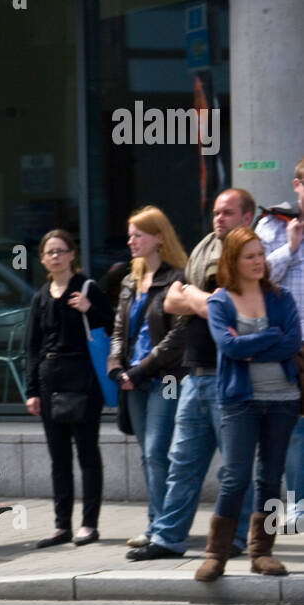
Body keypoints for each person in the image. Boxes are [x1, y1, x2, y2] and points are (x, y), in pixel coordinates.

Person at [128, 188, 257, 561]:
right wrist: (207, 299)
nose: (219, 218)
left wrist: (198, 298)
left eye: (228, 213)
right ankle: (169, 538)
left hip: (231, 375)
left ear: (247, 218)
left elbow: (234, 307)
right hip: (195, 374)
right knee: (181, 461)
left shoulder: (248, 253)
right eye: (217, 212)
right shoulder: (203, 249)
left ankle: (235, 538)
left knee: (234, 468)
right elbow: (171, 300)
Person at [197, 227, 302, 581]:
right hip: (240, 401)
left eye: (260, 254)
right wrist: (270, 336)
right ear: (233, 261)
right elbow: (229, 348)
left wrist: (254, 343)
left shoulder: (281, 297)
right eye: (250, 256)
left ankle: (263, 552)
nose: (259, 261)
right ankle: (216, 554)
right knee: (235, 477)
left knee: (270, 479)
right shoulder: (219, 302)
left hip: (283, 400)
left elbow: (292, 343)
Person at [25, 228, 114, 547]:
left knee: (88, 453)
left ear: (72, 254)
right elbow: (32, 346)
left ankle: (89, 524)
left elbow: (112, 323)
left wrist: (91, 308)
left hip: (83, 379)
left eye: (61, 251)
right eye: (50, 252)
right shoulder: (40, 296)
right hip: (51, 381)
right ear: (43, 259)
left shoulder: (86, 287)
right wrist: (32, 390)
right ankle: (61, 525)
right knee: (58, 458)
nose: (56, 257)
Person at [107, 207, 187, 545]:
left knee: (157, 450)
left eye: (138, 234)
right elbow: (120, 328)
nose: (131, 241)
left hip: (164, 379)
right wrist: (115, 364)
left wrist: (141, 370)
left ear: (159, 237)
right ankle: (157, 521)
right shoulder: (129, 280)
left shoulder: (177, 278)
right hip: (132, 380)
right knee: (145, 452)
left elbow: (177, 336)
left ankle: (162, 527)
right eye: (130, 234)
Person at [256, 155, 304, 533]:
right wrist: (289, 248)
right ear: (296, 185)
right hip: (291, 347)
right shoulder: (274, 224)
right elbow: (255, 277)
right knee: (294, 430)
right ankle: (298, 506)